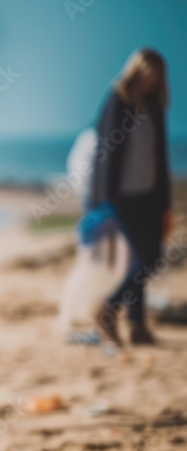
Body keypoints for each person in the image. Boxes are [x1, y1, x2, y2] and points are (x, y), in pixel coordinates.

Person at [92, 49, 172, 346]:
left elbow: (160, 158)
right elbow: (106, 150)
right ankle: (109, 307)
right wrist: (104, 197)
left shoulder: (154, 106)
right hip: (124, 197)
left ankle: (137, 326)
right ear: (136, 70)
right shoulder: (120, 100)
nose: (151, 78)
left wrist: (166, 205)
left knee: (142, 260)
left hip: (151, 197)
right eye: (148, 71)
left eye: (157, 74)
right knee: (149, 259)